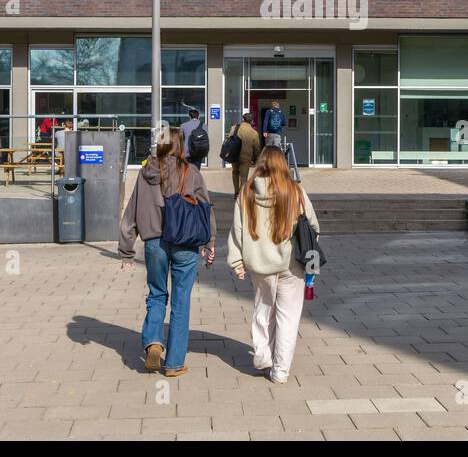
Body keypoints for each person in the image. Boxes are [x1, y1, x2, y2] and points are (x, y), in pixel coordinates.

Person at [119, 126, 215, 377]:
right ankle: (174, 364)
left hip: (154, 243)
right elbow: (206, 209)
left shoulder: (145, 172)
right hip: (185, 242)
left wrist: (127, 249)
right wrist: (210, 242)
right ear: (181, 146)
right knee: (181, 302)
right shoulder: (191, 172)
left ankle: (153, 341)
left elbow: (130, 212)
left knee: (157, 294)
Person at [229, 145, 320, 384]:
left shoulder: (246, 192)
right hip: (292, 266)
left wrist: (237, 261)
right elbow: (313, 228)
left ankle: (262, 356)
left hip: (259, 266)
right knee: (288, 318)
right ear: (283, 164)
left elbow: (237, 231)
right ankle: (280, 372)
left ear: (260, 163)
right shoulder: (295, 191)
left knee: (263, 311)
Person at [228, 110, 262, 197]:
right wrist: (256, 159)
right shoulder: (254, 133)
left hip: (234, 154)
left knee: (235, 172)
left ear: (243, 119)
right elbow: (257, 147)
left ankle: (236, 192)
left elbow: (229, 139)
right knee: (243, 177)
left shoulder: (234, 128)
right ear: (251, 121)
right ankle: (241, 194)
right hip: (246, 156)